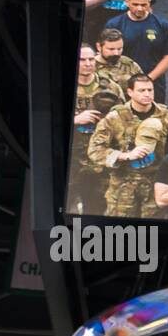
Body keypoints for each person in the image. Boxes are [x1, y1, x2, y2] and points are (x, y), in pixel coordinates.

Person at [88, 73, 168, 218]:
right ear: (130, 92)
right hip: (123, 185)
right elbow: (95, 150)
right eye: (141, 90)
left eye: (150, 90)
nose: (147, 94)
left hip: (155, 183)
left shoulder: (166, 116)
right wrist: (124, 156)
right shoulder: (115, 117)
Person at [69, 44, 124, 215]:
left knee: (95, 209)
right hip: (72, 159)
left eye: (91, 59)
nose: (88, 63)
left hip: (98, 161)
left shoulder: (111, 88)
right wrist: (76, 119)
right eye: (82, 60)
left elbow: (125, 119)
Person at [103, 0, 168, 102]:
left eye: (143, 5)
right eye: (135, 4)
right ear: (127, 2)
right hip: (121, 85)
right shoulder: (114, 24)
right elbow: (107, 53)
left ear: (149, 3)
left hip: (153, 85)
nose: (140, 8)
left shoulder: (162, 25)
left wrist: (147, 80)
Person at [94, 29, 143, 95]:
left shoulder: (129, 64)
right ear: (99, 47)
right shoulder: (89, 65)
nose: (116, 53)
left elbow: (143, 87)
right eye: (111, 49)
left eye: (119, 49)